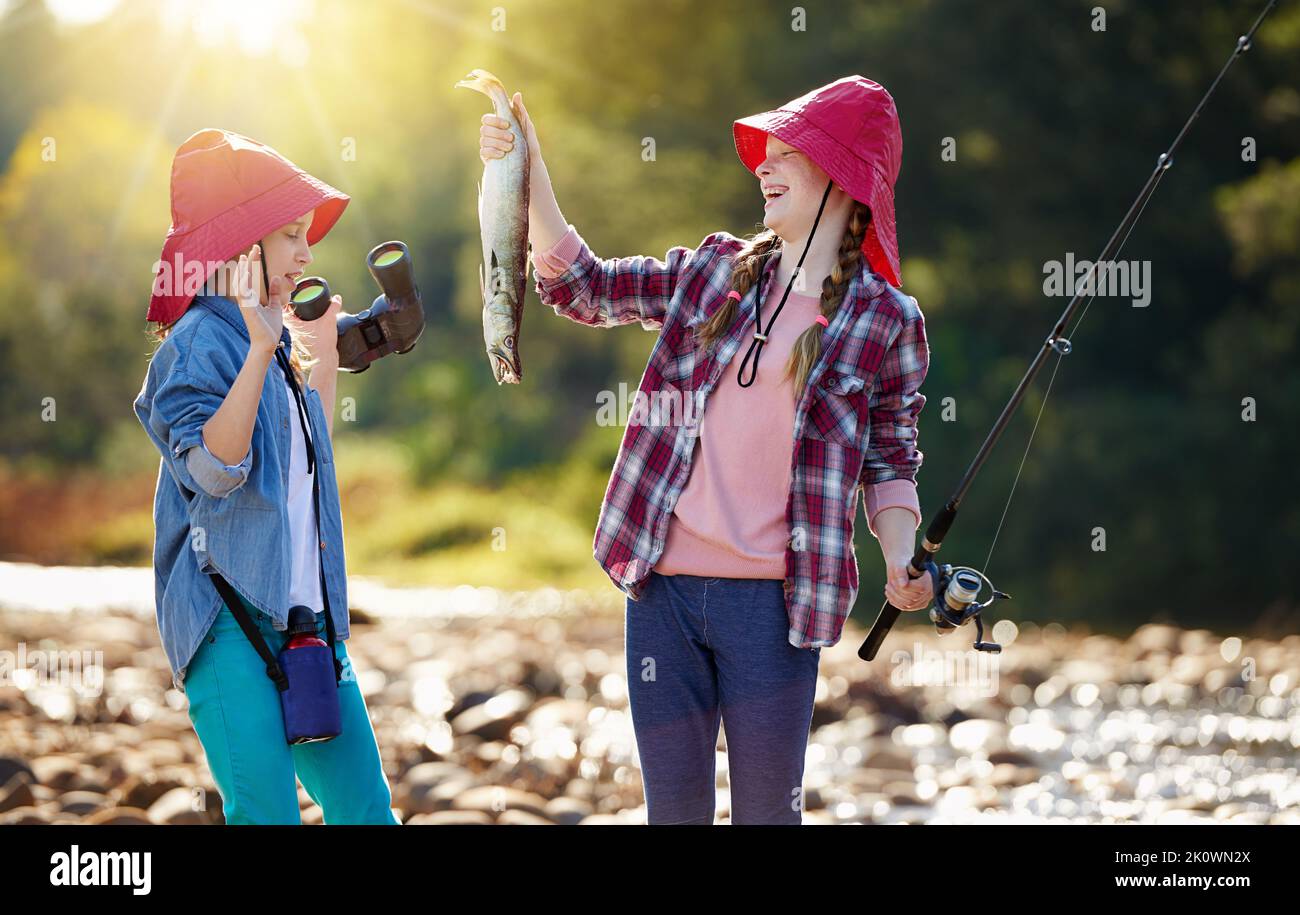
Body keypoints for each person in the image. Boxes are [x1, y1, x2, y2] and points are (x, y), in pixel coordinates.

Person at [477, 76, 934, 824]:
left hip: (778, 611)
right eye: (768, 152)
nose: (764, 166)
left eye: (789, 153)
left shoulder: (888, 320)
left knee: (767, 816)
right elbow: (585, 287)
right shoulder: (714, 271)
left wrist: (902, 557)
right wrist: (526, 173)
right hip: (663, 596)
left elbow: (891, 461)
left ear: (845, 178)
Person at [133, 128, 398, 825]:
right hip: (227, 625)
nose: (307, 253)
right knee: (266, 814)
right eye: (288, 235)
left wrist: (314, 358)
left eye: (305, 235)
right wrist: (259, 351)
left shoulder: (276, 340)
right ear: (237, 246)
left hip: (308, 624)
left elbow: (303, 476)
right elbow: (216, 472)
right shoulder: (199, 344)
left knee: (368, 811)